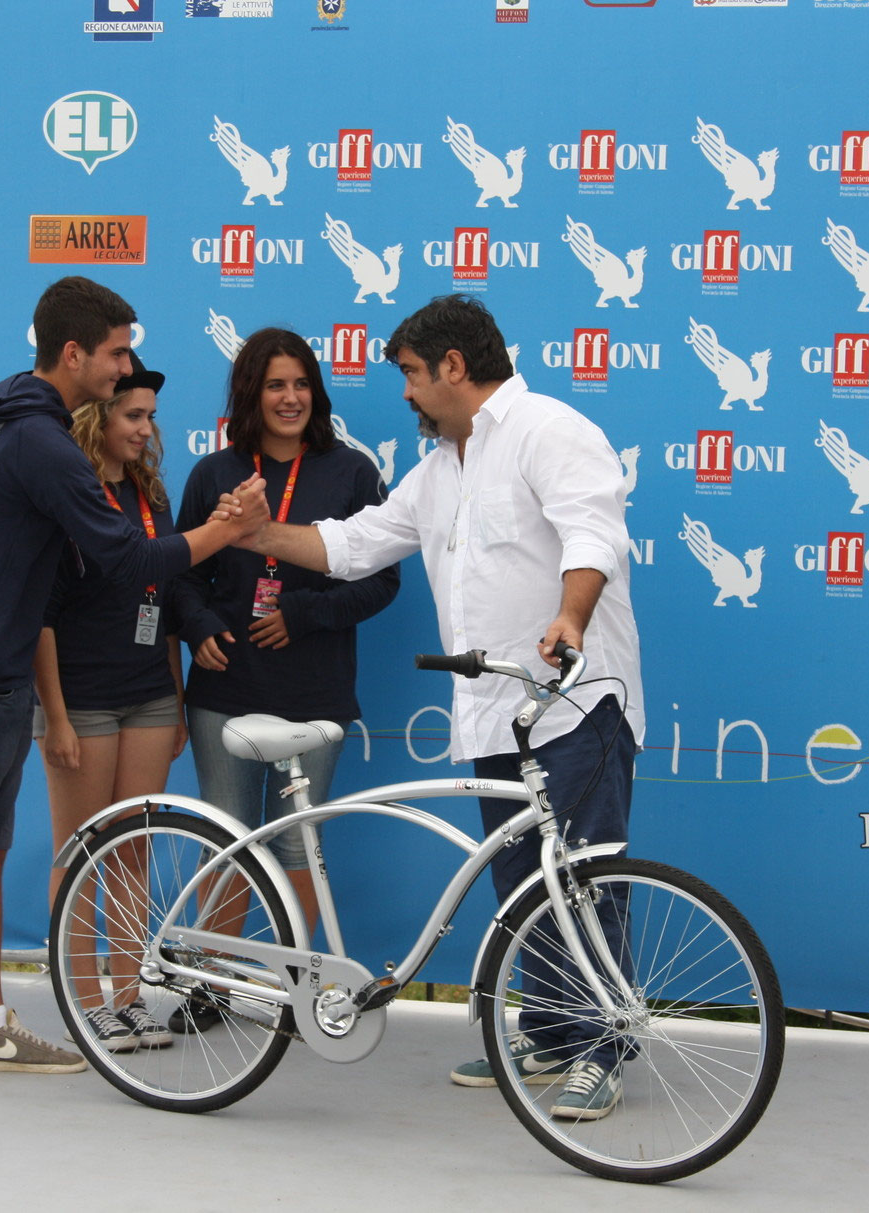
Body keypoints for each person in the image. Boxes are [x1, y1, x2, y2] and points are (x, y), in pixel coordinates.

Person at [220, 295, 644, 1120]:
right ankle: (551, 1031)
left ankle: (601, 1047)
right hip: (495, 712)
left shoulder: (551, 430)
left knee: (582, 881)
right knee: (521, 886)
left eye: (413, 373)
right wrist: (263, 535)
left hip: (574, 705)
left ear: (454, 365)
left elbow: (593, 534)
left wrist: (571, 617)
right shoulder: (442, 465)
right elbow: (357, 543)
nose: (407, 392)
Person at [0, 276, 265, 1083]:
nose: (127, 369)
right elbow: (126, 558)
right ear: (74, 354)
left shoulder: (17, 419)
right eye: (117, 354)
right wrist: (225, 529)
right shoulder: (40, 441)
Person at [169, 328, 400, 1015]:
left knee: (298, 843)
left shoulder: (351, 471)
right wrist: (199, 625)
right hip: (226, 687)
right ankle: (210, 985)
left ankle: (297, 987)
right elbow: (180, 572)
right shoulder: (214, 473)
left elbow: (382, 580)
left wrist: (303, 614)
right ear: (251, 393)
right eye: (276, 385)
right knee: (228, 840)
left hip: (313, 689)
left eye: (301, 384)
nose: (291, 397)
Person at [33, 353, 183, 1054]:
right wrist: (57, 716)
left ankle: (129, 998)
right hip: (82, 700)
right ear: (99, 416)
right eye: (133, 415)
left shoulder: (150, 492)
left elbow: (166, 602)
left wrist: (176, 692)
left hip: (149, 695)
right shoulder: (70, 492)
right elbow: (41, 618)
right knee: (80, 850)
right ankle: (84, 1002)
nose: (145, 429)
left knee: (132, 848)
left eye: (150, 417)